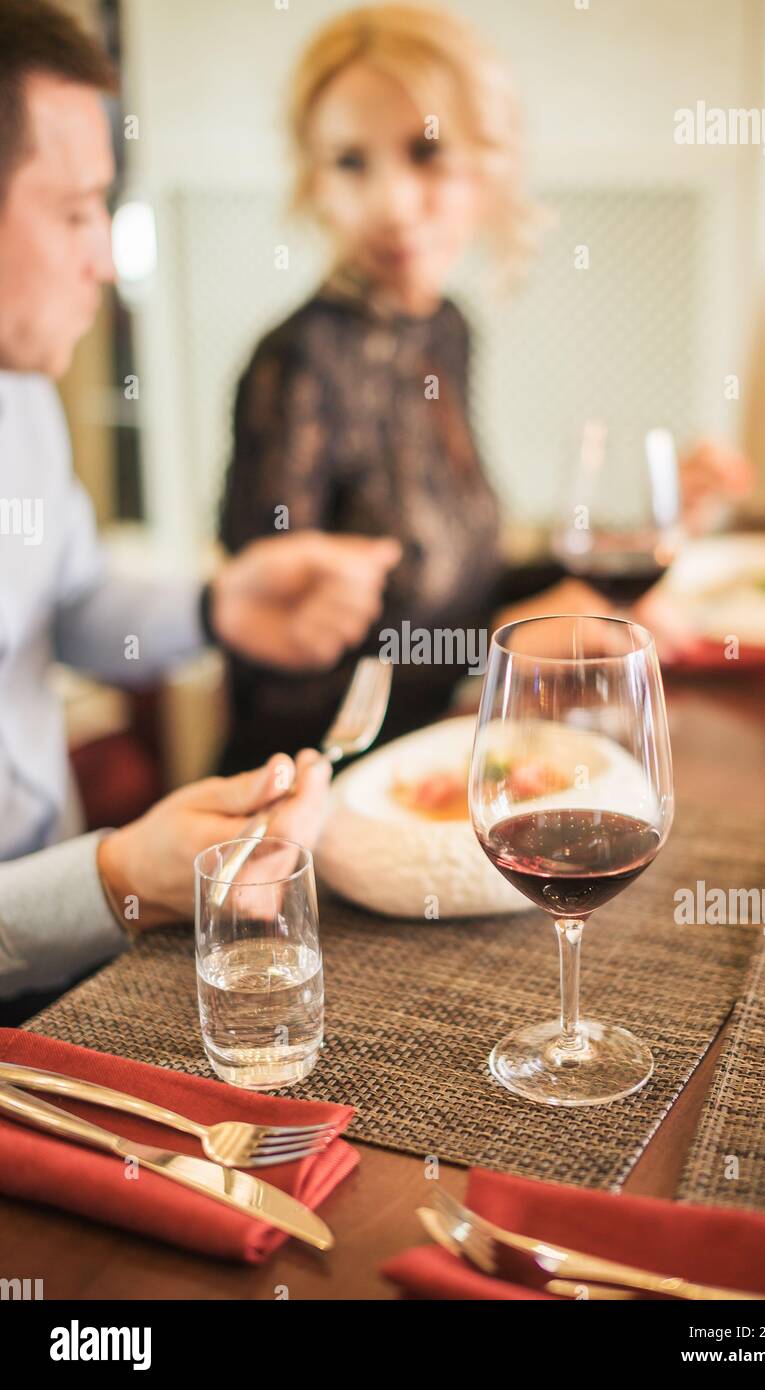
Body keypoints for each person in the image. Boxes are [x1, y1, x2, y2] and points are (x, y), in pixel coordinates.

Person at [218, 3, 752, 772]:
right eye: (350, 161)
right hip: (314, 815)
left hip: (448, 770)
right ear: (313, 179)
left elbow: (459, 575)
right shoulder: (294, 366)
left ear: (487, 161)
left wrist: (627, 553)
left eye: (425, 151)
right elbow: (282, 700)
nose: (393, 204)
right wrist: (500, 647)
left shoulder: (446, 329)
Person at [0, 0, 399, 1017]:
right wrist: (117, 879)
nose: (105, 256)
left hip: (59, 984)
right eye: (76, 209)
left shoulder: (24, 399)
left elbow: (68, 600)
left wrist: (219, 606)